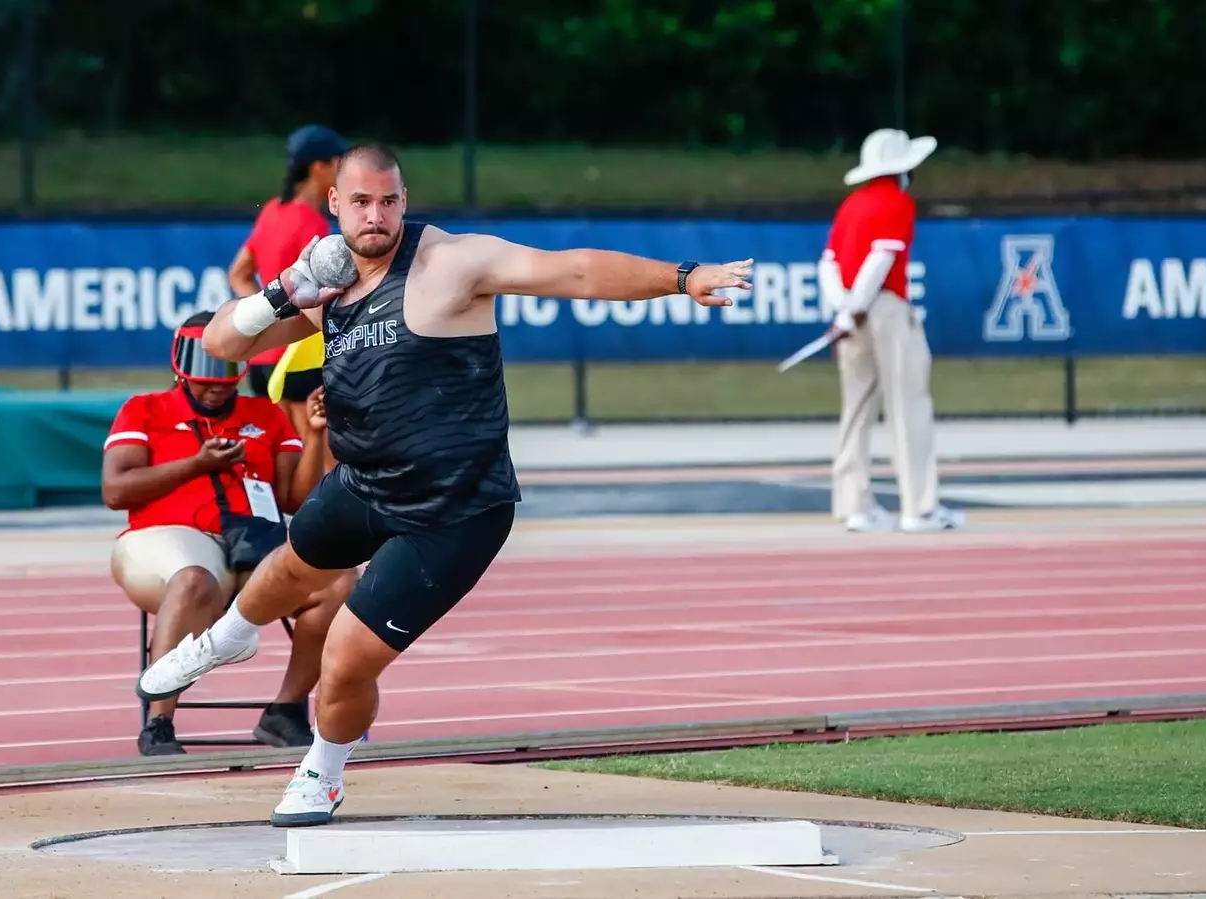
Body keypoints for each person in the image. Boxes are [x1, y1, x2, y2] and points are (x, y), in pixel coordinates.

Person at [136, 143, 753, 826]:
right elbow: (222, 344)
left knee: (343, 654)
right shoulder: (326, 285)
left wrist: (684, 274)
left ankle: (324, 769)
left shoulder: (451, 263)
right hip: (367, 482)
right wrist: (285, 288)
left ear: (405, 199)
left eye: (390, 201)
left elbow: (573, 270)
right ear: (334, 202)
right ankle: (230, 635)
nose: (377, 216)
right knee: (289, 561)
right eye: (362, 202)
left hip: (453, 509)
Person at [102, 312, 350, 756]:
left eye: (227, 375)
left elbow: (296, 501)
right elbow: (116, 490)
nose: (216, 385)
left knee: (340, 583)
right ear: (180, 366)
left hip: (252, 543)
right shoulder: (144, 408)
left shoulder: (267, 416)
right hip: (166, 536)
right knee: (194, 579)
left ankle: (285, 710)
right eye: (205, 378)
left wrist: (315, 436)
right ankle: (159, 722)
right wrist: (196, 465)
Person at [818, 127, 965, 533]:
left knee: (857, 408)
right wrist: (858, 306)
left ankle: (856, 506)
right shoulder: (897, 202)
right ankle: (918, 508)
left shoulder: (851, 205)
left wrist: (843, 308)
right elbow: (881, 261)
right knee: (908, 406)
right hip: (882, 308)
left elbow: (828, 263)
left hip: (852, 310)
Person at [228, 124, 347, 400]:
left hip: (261, 357)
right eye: (339, 163)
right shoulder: (312, 222)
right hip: (298, 360)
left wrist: (269, 315)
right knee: (311, 443)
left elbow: (238, 274)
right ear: (319, 166)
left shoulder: (272, 210)